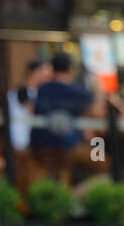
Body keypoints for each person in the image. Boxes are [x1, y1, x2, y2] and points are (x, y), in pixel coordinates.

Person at [29, 51, 93, 182]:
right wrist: (98, 88)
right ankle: (79, 194)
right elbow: (96, 111)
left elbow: (31, 111)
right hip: (68, 148)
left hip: (39, 148)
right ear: (71, 69)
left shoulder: (41, 89)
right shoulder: (79, 91)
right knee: (101, 162)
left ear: (52, 68)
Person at [5, 59, 51, 151]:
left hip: (39, 145)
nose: (48, 77)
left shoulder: (45, 94)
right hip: (20, 144)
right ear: (34, 72)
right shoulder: (14, 95)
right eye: (44, 72)